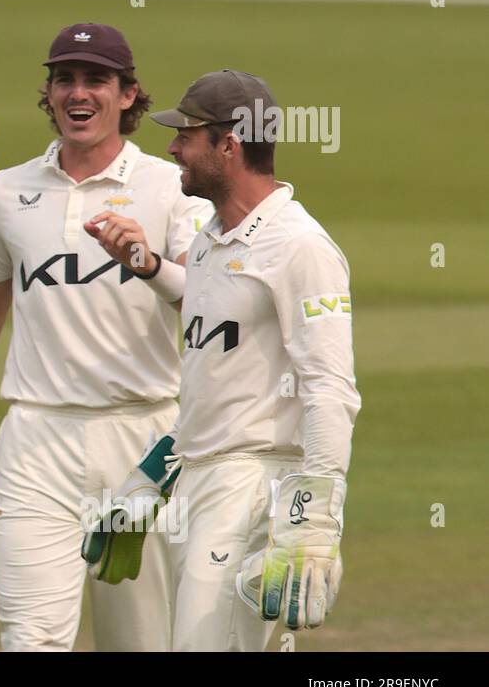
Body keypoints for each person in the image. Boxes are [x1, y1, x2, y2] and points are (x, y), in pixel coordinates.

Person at [87, 70, 360, 650]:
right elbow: (217, 375)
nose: (173, 148)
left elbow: (330, 390)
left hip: (252, 489)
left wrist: (314, 521)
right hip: (202, 487)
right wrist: (150, 480)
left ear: (228, 145)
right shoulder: (212, 239)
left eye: (187, 136)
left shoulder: (300, 247)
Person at [0, 24, 210, 651]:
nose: (79, 93)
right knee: (30, 636)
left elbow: (211, 305)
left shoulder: (171, 188)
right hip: (35, 438)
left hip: (143, 440)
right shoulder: (7, 191)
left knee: (141, 641)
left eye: (96, 80)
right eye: (65, 80)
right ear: (47, 95)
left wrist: (149, 261)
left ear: (129, 95)